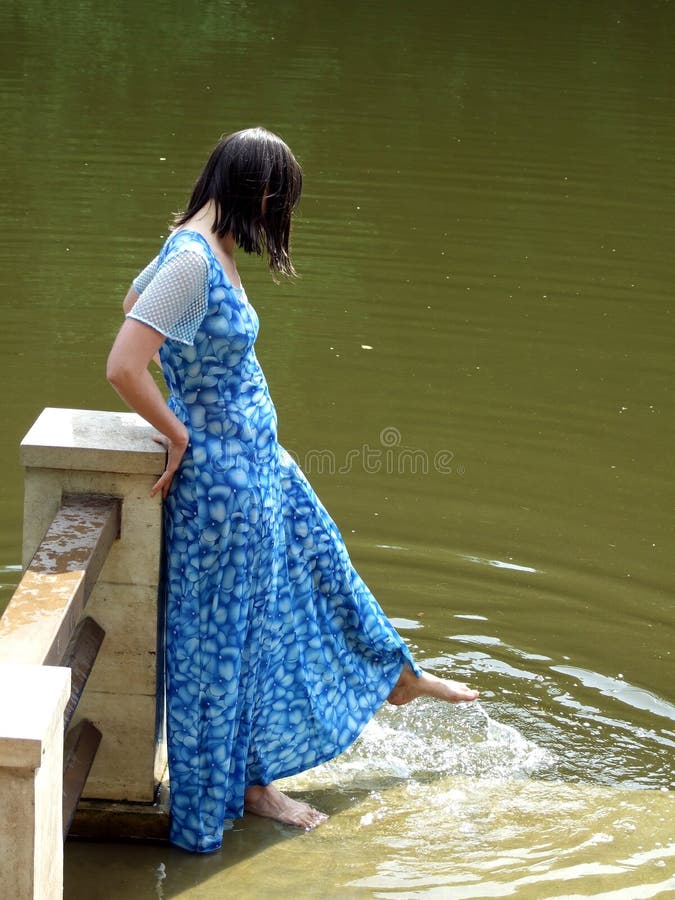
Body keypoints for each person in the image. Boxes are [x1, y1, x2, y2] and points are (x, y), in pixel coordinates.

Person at [107, 127, 479, 854]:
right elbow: (125, 362)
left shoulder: (193, 248)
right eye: (281, 203)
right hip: (222, 486)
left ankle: (390, 679)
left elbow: (132, 300)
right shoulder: (190, 260)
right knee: (219, 647)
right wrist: (180, 434)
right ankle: (227, 798)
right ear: (260, 192)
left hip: (257, 469)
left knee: (312, 582)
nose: (279, 220)